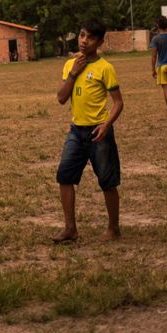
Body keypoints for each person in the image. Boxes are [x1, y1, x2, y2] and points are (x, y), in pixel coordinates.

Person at [53, 19, 124, 243]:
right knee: (64, 176)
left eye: (91, 37)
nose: (84, 41)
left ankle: (113, 228)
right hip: (76, 131)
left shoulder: (105, 68)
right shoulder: (70, 65)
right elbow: (61, 98)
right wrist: (74, 72)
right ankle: (70, 229)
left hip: (98, 132)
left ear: (100, 41)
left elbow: (118, 103)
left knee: (107, 181)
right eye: (82, 35)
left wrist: (106, 125)